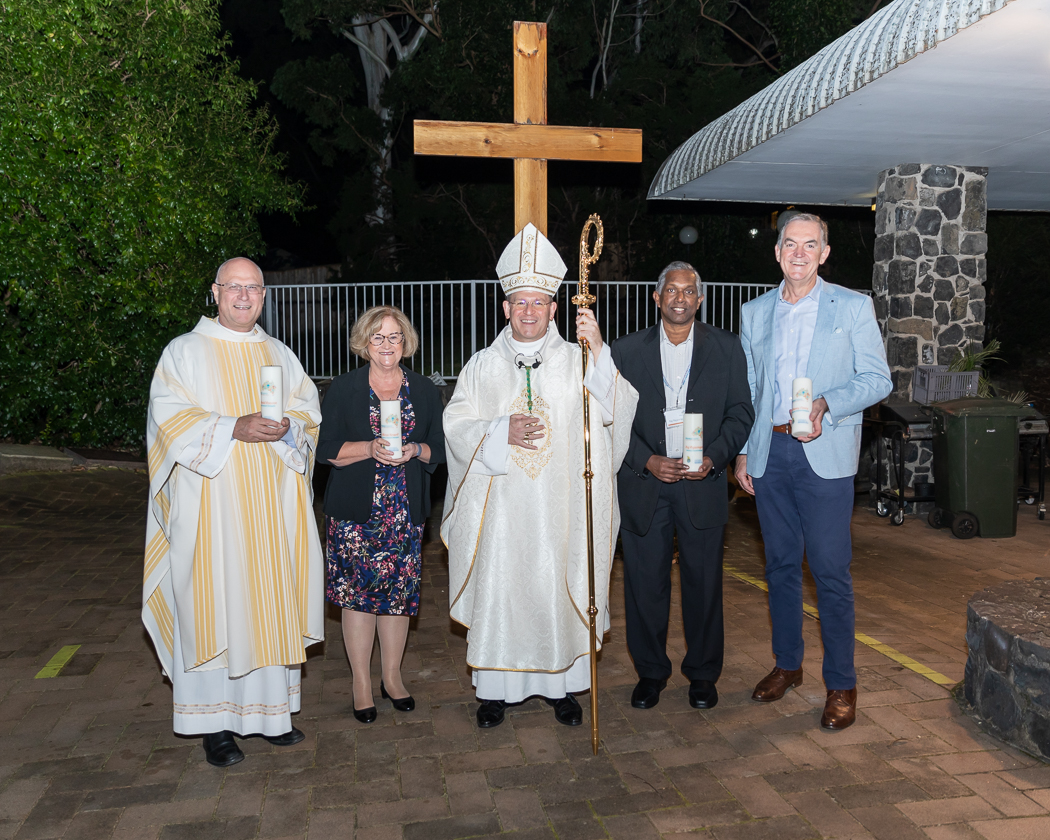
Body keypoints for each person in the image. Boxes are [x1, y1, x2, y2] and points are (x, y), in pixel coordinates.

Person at [442, 223, 638, 729]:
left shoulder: (577, 361)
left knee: (558, 582)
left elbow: (616, 411)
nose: (529, 311)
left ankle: (564, 688)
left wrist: (600, 353)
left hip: (561, 509)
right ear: (505, 308)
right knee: (501, 587)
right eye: (519, 303)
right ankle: (494, 692)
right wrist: (498, 430)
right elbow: (456, 426)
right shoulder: (482, 367)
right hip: (502, 511)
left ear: (555, 308)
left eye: (538, 303)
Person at [143, 257, 324, 767]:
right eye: (234, 287)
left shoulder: (279, 354)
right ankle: (214, 726)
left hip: (272, 511)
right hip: (211, 511)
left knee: (268, 602)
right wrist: (231, 428)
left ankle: (271, 717)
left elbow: (309, 413)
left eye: (254, 289)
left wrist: (289, 427)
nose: (244, 297)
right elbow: (168, 417)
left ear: (264, 296)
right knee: (215, 607)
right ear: (216, 292)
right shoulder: (183, 352)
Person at [734, 213, 891, 731]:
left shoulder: (851, 306)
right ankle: (787, 665)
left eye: (811, 245)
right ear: (777, 253)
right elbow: (752, 391)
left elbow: (877, 379)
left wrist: (828, 402)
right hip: (772, 451)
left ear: (824, 254)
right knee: (779, 566)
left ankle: (841, 684)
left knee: (829, 571)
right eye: (790, 244)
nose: (799, 253)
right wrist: (743, 451)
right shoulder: (753, 312)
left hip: (824, 454)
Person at [611, 262, 754, 712]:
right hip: (643, 483)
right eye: (670, 290)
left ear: (700, 299)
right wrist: (646, 459)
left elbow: (741, 413)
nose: (679, 298)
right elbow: (609, 418)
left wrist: (714, 457)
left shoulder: (728, 348)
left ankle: (703, 675)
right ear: (657, 298)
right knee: (643, 584)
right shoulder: (625, 351)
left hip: (702, 483)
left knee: (704, 584)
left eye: (688, 291)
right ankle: (650, 673)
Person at [316, 306, 445, 723]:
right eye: (378, 337)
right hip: (356, 514)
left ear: (405, 343)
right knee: (357, 599)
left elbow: (440, 449)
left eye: (394, 337)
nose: (386, 345)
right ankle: (361, 683)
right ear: (364, 343)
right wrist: (369, 448)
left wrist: (414, 451)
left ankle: (392, 677)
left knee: (397, 598)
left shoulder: (424, 390)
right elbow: (327, 450)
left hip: (404, 510)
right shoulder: (344, 388)